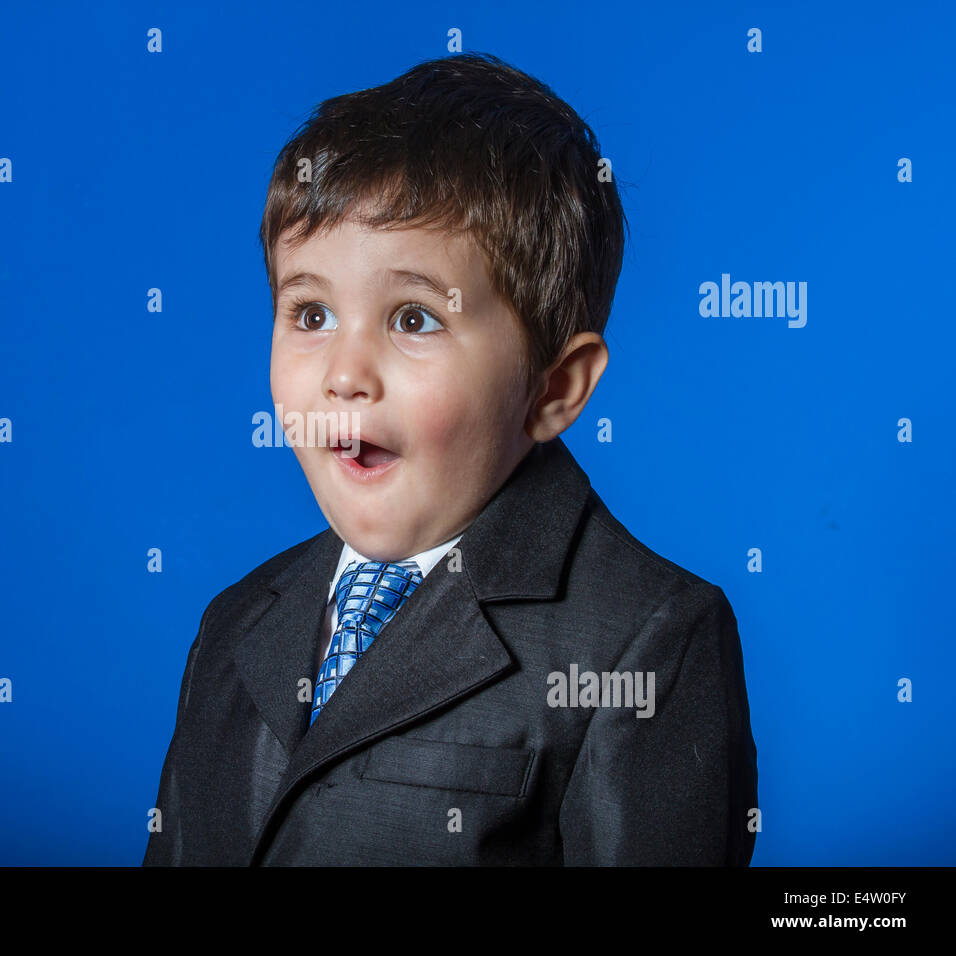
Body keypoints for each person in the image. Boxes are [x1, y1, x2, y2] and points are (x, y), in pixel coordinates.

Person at [143, 51, 758, 865]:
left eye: (413, 319)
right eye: (312, 311)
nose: (344, 375)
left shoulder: (646, 643)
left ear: (555, 389)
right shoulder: (234, 622)